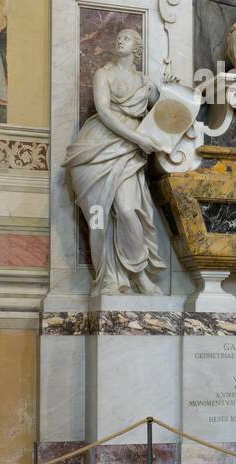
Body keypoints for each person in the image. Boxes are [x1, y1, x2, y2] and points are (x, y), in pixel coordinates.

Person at [64, 29, 168, 295]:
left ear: (137, 47)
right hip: (98, 147)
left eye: (127, 37)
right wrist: (137, 138)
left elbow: (166, 111)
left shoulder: (146, 83)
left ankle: (138, 273)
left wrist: (169, 88)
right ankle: (108, 278)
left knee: (128, 209)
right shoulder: (104, 74)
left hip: (129, 151)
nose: (120, 39)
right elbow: (104, 112)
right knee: (99, 217)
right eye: (118, 37)